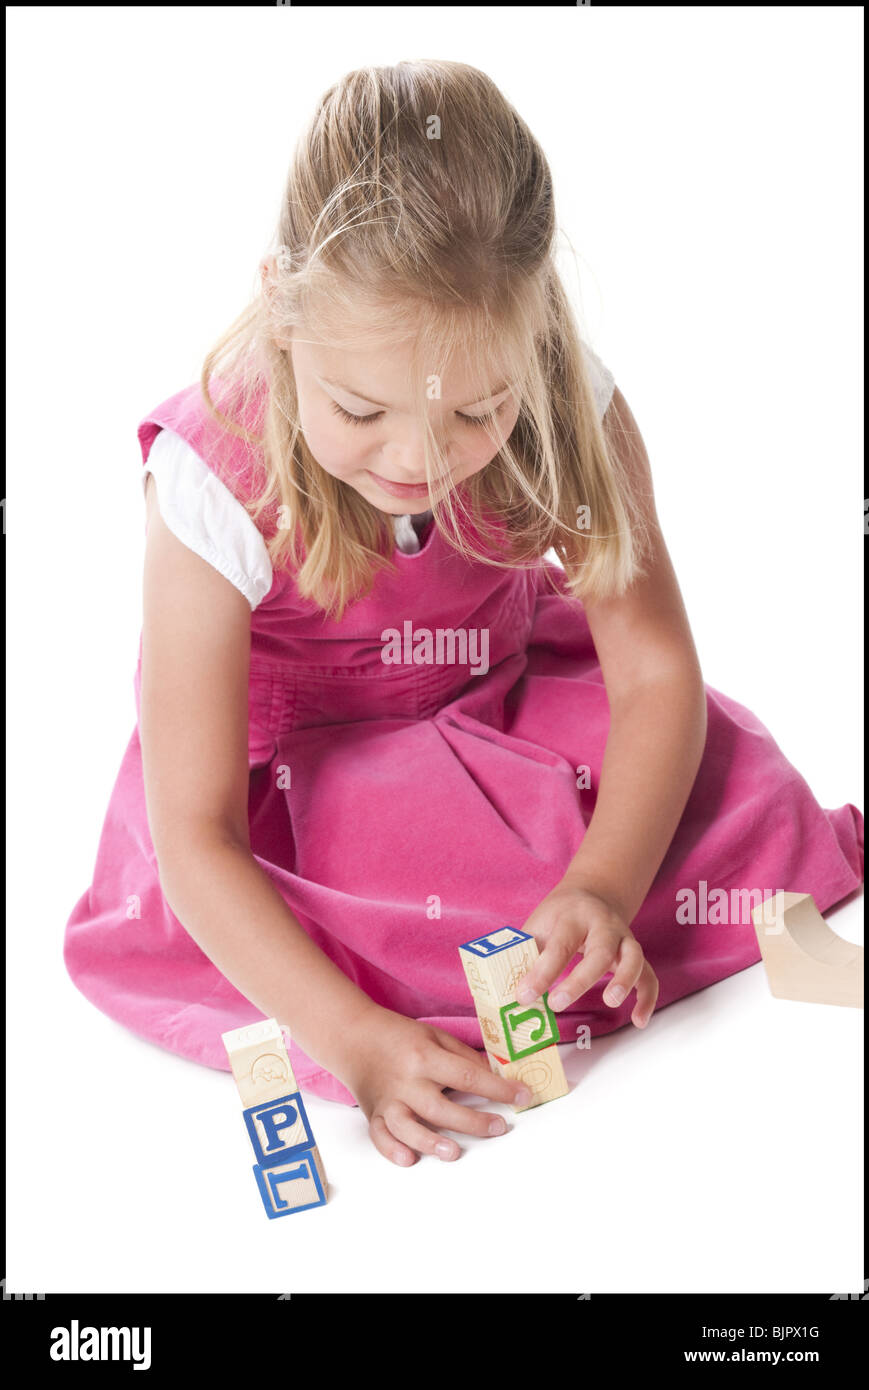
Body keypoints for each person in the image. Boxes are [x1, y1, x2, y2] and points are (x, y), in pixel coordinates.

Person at [64, 59, 863, 1169]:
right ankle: (401, 980)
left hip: (500, 694)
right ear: (281, 313)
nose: (415, 458)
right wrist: (352, 1041)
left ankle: (571, 910)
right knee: (415, 937)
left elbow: (652, 677)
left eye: (474, 414)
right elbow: (195, 838)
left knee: (737, 792)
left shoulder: (563, 405)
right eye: (358, 409)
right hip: (305, 773)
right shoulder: (213, 479)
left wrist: (600, 886)